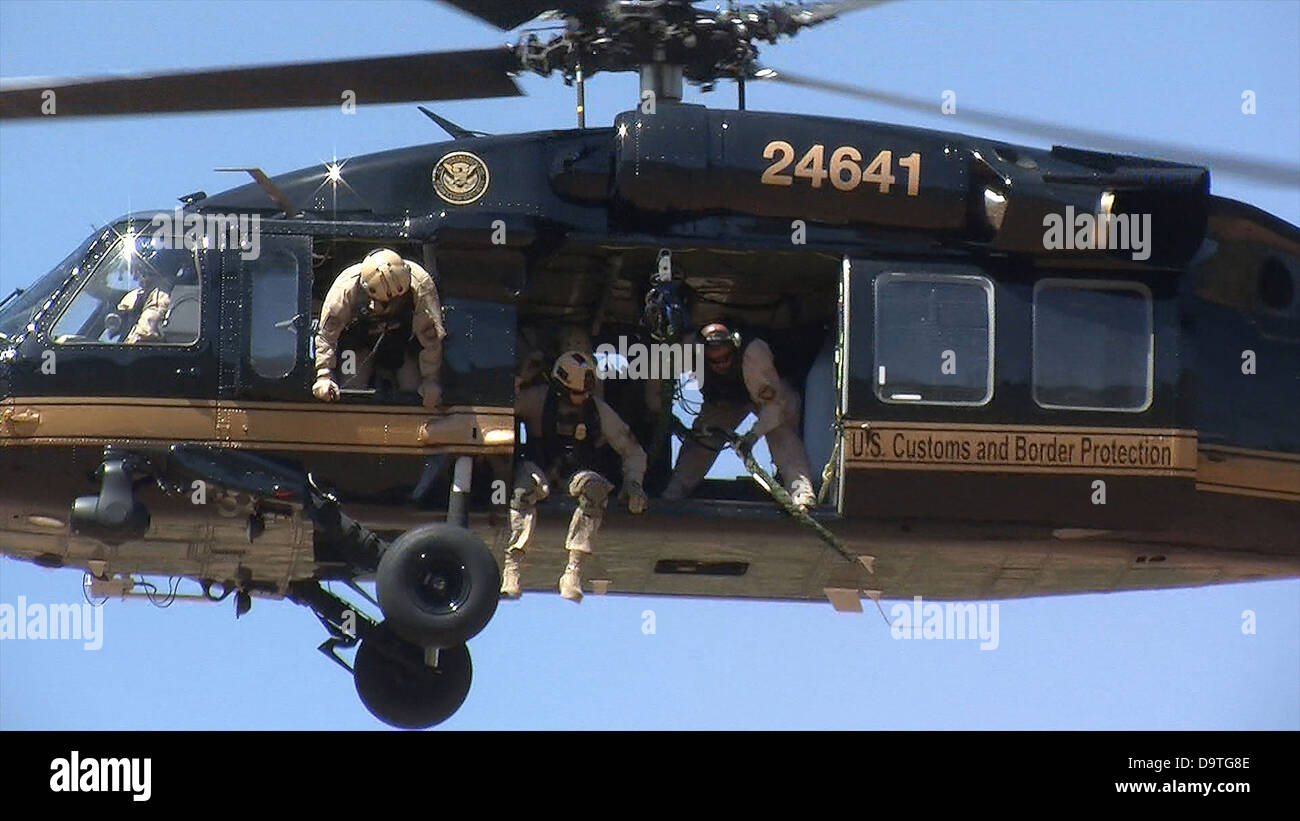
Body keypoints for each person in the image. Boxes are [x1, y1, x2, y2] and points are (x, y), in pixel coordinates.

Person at [502, 351, 648, 602]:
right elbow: (502, 405)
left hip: (576, 474)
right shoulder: (537, 400)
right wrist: (518, 380)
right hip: (539, 470)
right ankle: (512, 568)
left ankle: (573, 572)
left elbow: (632, 451)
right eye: (576, 392)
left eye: (586, 392)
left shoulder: (598, 411)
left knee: (596, 490)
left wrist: (634, 483)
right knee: (521, 491)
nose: (582, 398)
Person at [663, 322, 817, 509]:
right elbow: (661, 371)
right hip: (724, 400)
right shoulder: (689, 350)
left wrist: (752, 436)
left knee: (781, 435)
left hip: (770, 396)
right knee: (701, 442)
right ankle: (671, 495)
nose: (722, 364)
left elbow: (774, 407)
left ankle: (802, 493)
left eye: (726, 358)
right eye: (715, 361)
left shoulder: (754, 353)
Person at [313, 248, 445, 409]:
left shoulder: (421, 286)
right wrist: (324, 374)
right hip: (357, 345)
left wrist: (431, 380)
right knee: (351, 391)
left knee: (414, 391)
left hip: (402, 344)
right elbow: (327, 336)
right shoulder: (345, 289)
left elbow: (431, 340)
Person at [107, 269, 172, 344]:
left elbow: (145, 334)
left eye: (148, 275)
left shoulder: (160, 296)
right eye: (142, 275)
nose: (142, 280)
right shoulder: (134, 295)